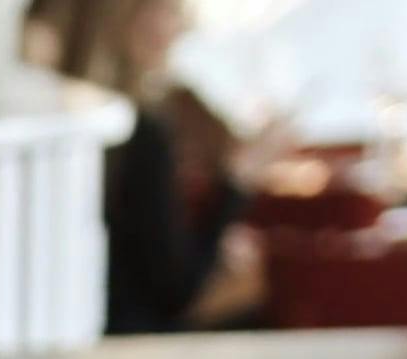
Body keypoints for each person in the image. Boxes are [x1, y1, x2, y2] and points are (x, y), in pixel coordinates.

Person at [24, 0, 254, 333]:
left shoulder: (56, 123)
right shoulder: (140, 133)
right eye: (170, 11)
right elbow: (176, 292)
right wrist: (237, 184)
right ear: (127, 19)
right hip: (131, 351)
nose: (182, 28)